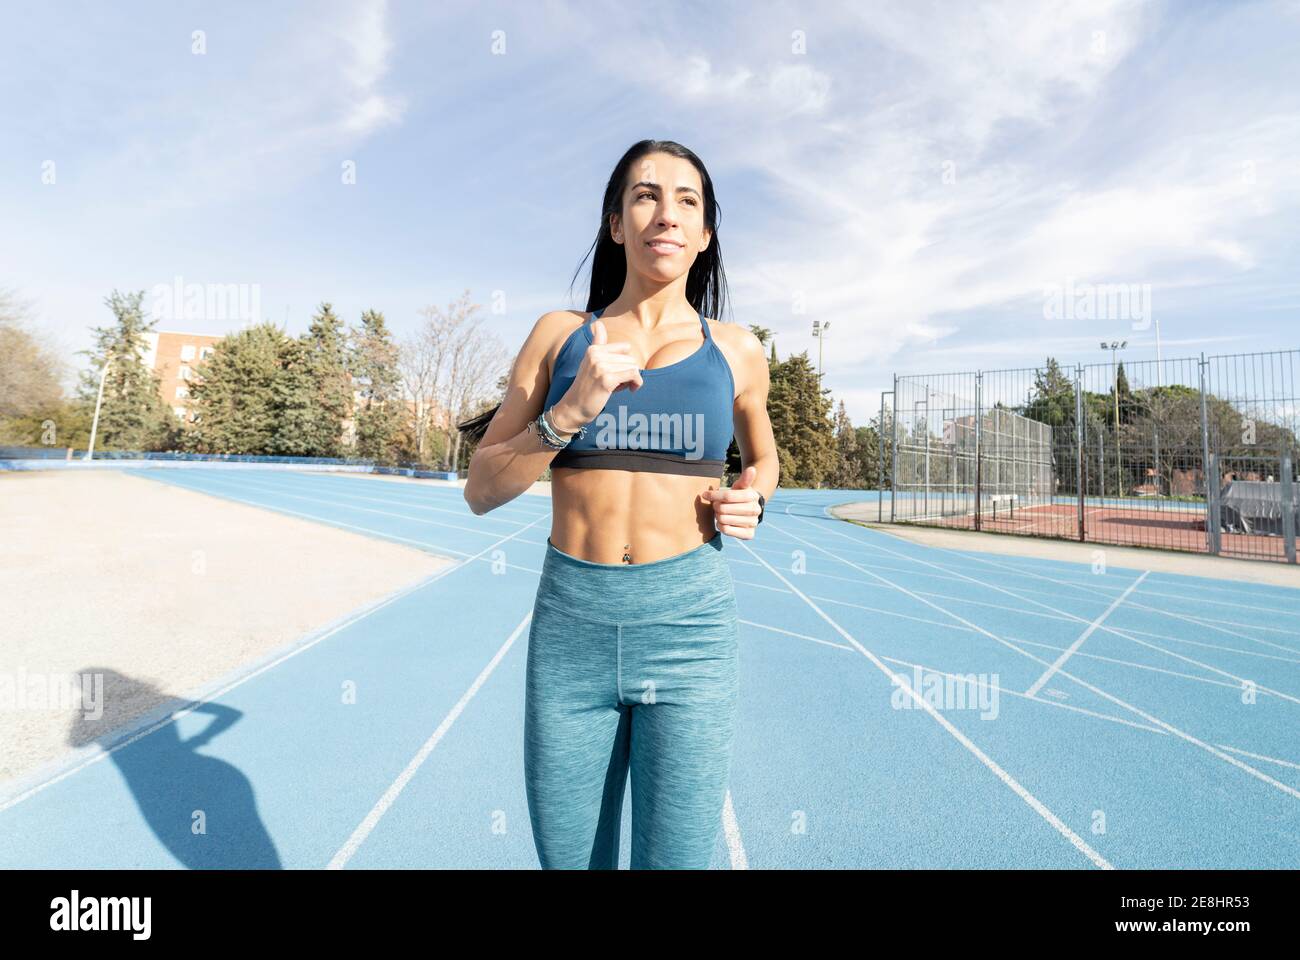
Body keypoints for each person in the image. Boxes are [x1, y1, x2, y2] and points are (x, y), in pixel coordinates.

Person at [460, 139, 779, 869]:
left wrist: (751, 496)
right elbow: (482, 490)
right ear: (615, 224)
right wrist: (569, 411)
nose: (665, 213)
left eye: (686, 201)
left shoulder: (736, 349)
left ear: (704, 236)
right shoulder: (560, 335)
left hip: (689, 625)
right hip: (573, 623)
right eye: (644, 195)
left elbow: (763, 459)